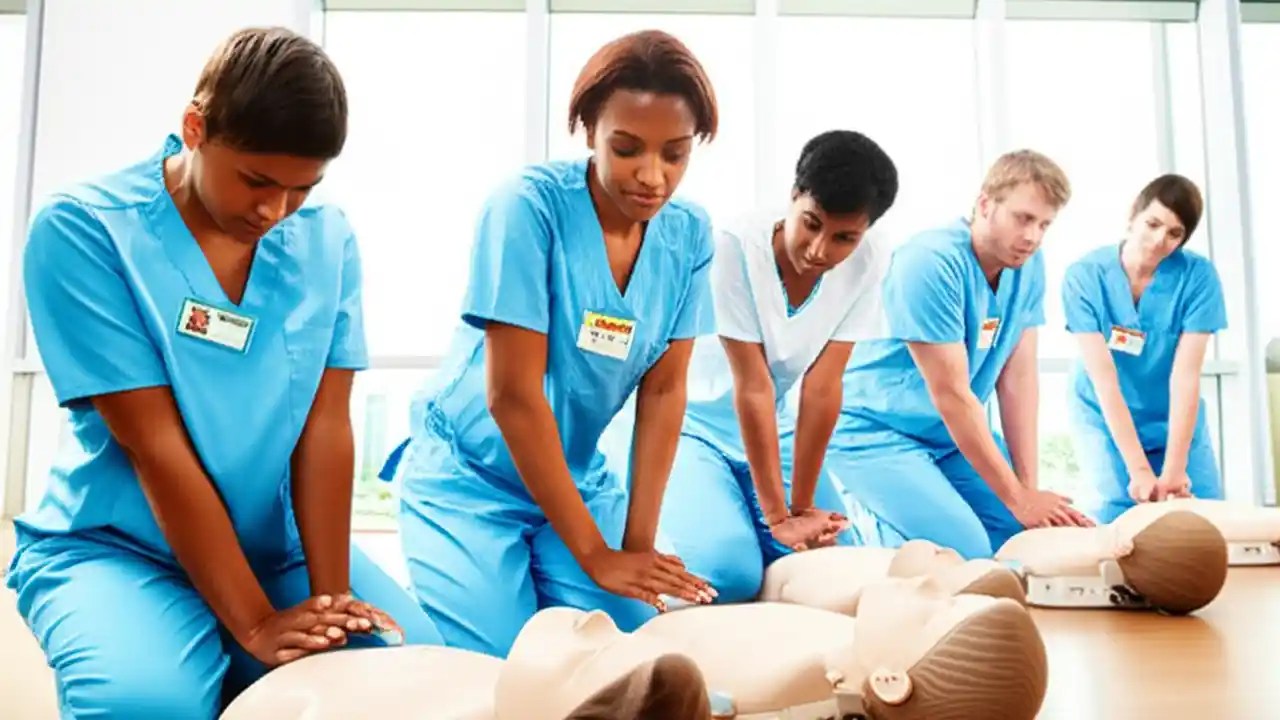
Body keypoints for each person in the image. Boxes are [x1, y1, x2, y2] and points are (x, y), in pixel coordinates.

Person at [5, 27, 442, 719]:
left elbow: (325, 426)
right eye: (257, 181)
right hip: (120, 550)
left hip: (276, 548)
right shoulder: (84, 229)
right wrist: (254, 623)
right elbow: (154, 444)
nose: (275, 212)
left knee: (410, 675)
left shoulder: (326, 238)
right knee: (149, 705)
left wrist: (331, 606)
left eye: (302, 188)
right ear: (194, 128)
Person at [383, 29, 718, 659]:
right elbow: (512, 395)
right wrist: (593, 554)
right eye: (626, 149)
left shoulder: (690, 234)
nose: (653, 177)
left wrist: (635, 548)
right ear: (589, 129)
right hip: (472, 477)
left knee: (647, 652)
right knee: (504, 668)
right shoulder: (527, 207)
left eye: (674, 154)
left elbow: (666, 389)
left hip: (578, 479)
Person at [650, 130, 900, 603]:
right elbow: (753, 386)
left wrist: (802, 508)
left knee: (832, 560)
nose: (819, 249)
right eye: (810, 223)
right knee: (727, 574)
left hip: (772, 425)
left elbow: (823, 387)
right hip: (689, 425)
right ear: (793, 197)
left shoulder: (870, 259)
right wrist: (779, 517)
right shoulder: (735, 248)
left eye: (844, 237)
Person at [827, 149, 1093, 561]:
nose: (1033, 237)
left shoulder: (1028, 265)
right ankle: (860, 526)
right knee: (967, 551)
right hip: (873, 432)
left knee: (1019, 541)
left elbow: (1018, 381)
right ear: (985, 205)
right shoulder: (929, 262)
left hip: (946, 438)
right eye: (1023, 218)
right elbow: (951, 394)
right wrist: (1018, 499)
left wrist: (1028, 492)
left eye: (1044, 224)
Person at [1062, 174, 1225, 523]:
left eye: (1174, 233)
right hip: (1104, 413)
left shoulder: (1198, 277)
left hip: (1175, 414)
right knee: (1120, 516)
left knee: (1201, 517)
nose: (1158, 240)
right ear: (1131, 216)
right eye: (1152, 223)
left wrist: (1175, 469)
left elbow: (1185, 375)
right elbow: (1104, 380)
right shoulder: (1085, 277)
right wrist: (1138, 469)